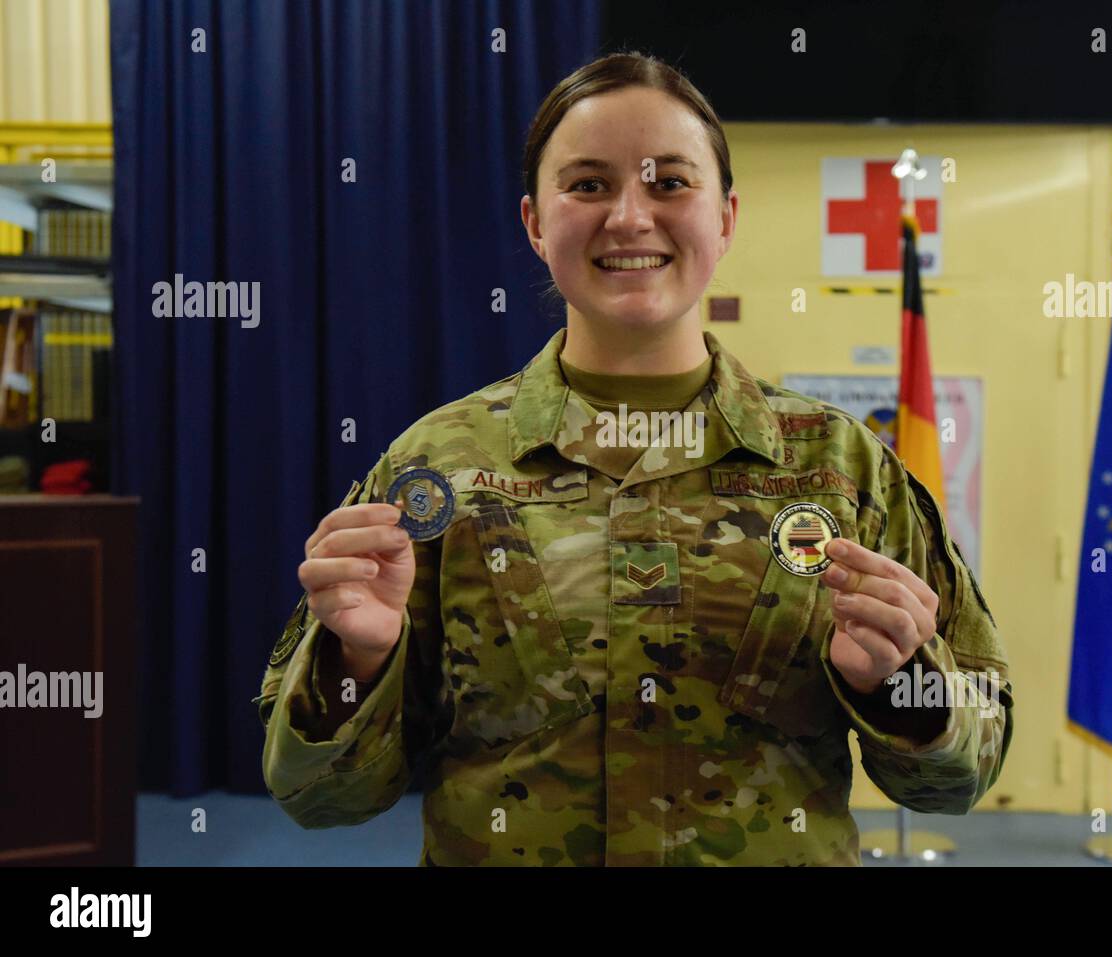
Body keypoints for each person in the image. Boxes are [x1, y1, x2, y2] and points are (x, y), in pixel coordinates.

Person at [256, 51, 1012, 867]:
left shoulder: (842, 468)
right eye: (587, 184)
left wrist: (898, 684)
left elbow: (961, 778)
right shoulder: (435, 470)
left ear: (725, 218)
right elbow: (317, 797)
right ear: (535, 223)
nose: (628, 216)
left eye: (668, 183)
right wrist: (356, 663)